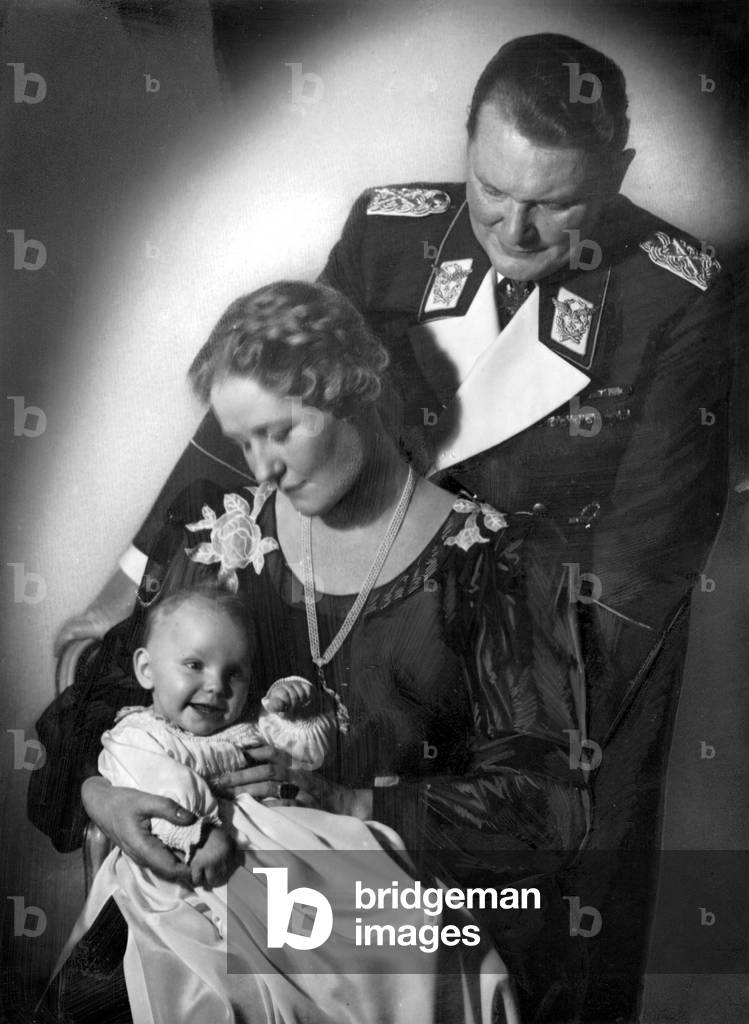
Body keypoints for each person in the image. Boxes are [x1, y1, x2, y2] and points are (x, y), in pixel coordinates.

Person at [53, 33, 734, 1022]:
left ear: (617, 174)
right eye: (491, 188)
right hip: (349, 628)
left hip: (548, 678)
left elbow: (639, 571)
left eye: (554, 204)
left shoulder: (676, 296)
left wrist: (416, 753)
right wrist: (129, 578)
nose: (513, 227)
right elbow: (261, 399)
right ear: (465, 143)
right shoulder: (390, 231)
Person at [36, 280, 590, 1023]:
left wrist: (349, 801)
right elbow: (97, 708)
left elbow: (547, 807)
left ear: (354, 391)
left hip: (383, 925)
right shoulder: (220, 536)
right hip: (202, 904)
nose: (261, 467)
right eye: (244, 441)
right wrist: (106, 798)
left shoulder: (493, 563)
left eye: (280, 432)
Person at [49, 584, 511, 1024]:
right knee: (236, 961)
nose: (215, 686)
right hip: (200, 858)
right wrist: (197, 834)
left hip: (281, 845)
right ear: (146, 670)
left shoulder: (247, 725)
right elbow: (161, 792)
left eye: (234, 673)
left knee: (392, 897)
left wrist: (298, 714)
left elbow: (308, 755)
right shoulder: (139, 735)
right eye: (194, 665)